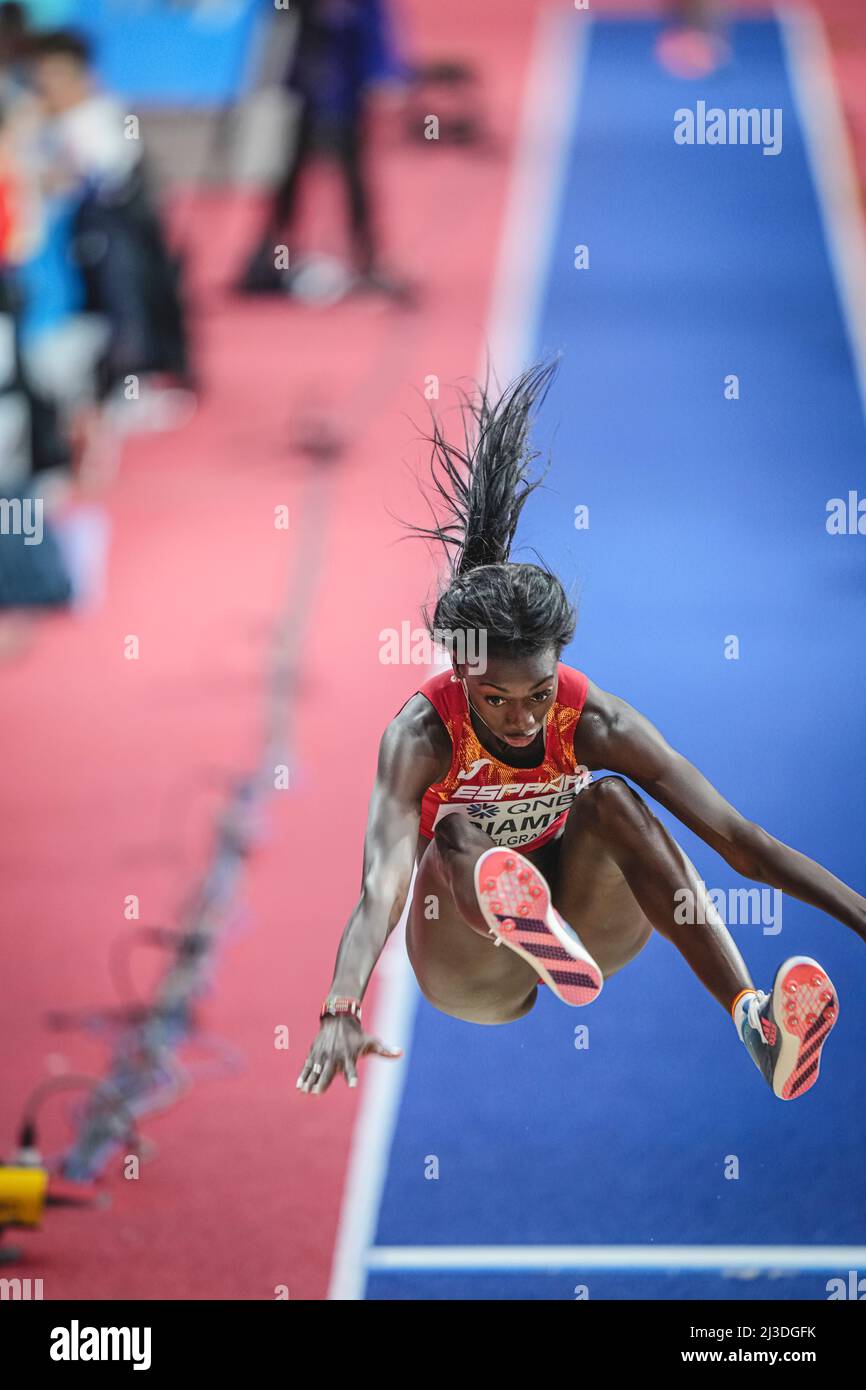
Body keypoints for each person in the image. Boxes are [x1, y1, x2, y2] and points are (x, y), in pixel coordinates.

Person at [297, 362, 862, 1099]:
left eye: (537, 693)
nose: (525, 719)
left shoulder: (592, 719)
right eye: (496, 701)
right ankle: (517, 916)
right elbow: (382, 887)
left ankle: (754, 1025)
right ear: (461, 675)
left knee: (614, 801)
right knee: (461, 829)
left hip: (590, 926)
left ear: (558, 667)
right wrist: (342, 1004)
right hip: (471, 965)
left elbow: (739, 841)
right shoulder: (422, 738)